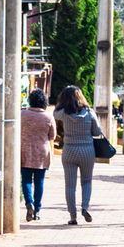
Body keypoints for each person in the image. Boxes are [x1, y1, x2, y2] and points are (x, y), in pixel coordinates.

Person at [53, 86, 105, 225]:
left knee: (70, 185)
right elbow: (97, 131)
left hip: (69, 151)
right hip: (87, 151)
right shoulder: (89, 112)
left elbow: (55, 113)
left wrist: (62, 103)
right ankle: (85, 208)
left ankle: (73, 216)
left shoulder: (63, 113)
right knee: (86, 181)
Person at [20, 89, 56, 221]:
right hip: (42, 152)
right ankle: (37, 210)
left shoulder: (22, 114)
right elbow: (52, 136)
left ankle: (29, 203)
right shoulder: (48, 117)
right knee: (39, 182)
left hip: (25, 151)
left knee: (26, 180)